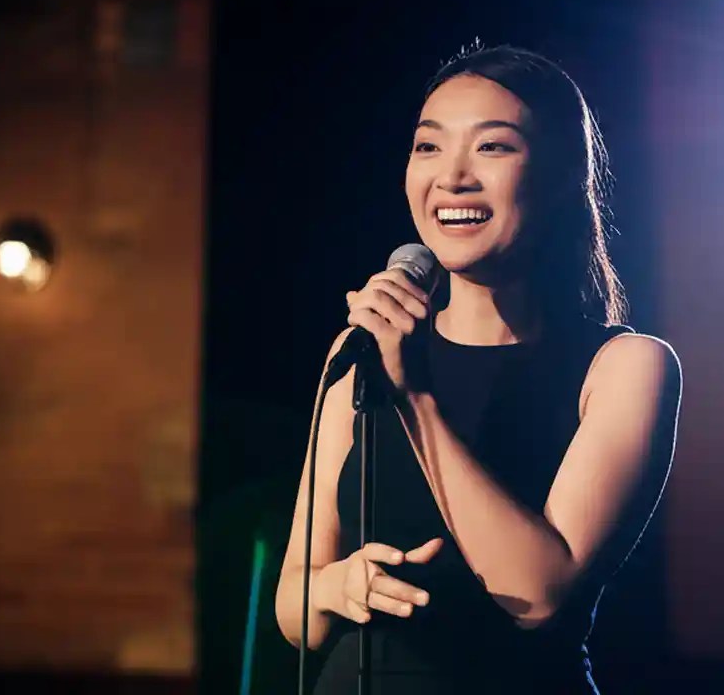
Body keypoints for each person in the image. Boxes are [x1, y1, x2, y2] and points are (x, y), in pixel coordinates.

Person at [274, 44, 681, 694]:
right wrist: (335, 585)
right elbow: (294, 604)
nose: (452, 176)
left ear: (557, 179)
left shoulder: (626, 367)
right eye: (429, 147)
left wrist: (416, 400)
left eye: (492, 147)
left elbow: (538, 594)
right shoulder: (360, 349)